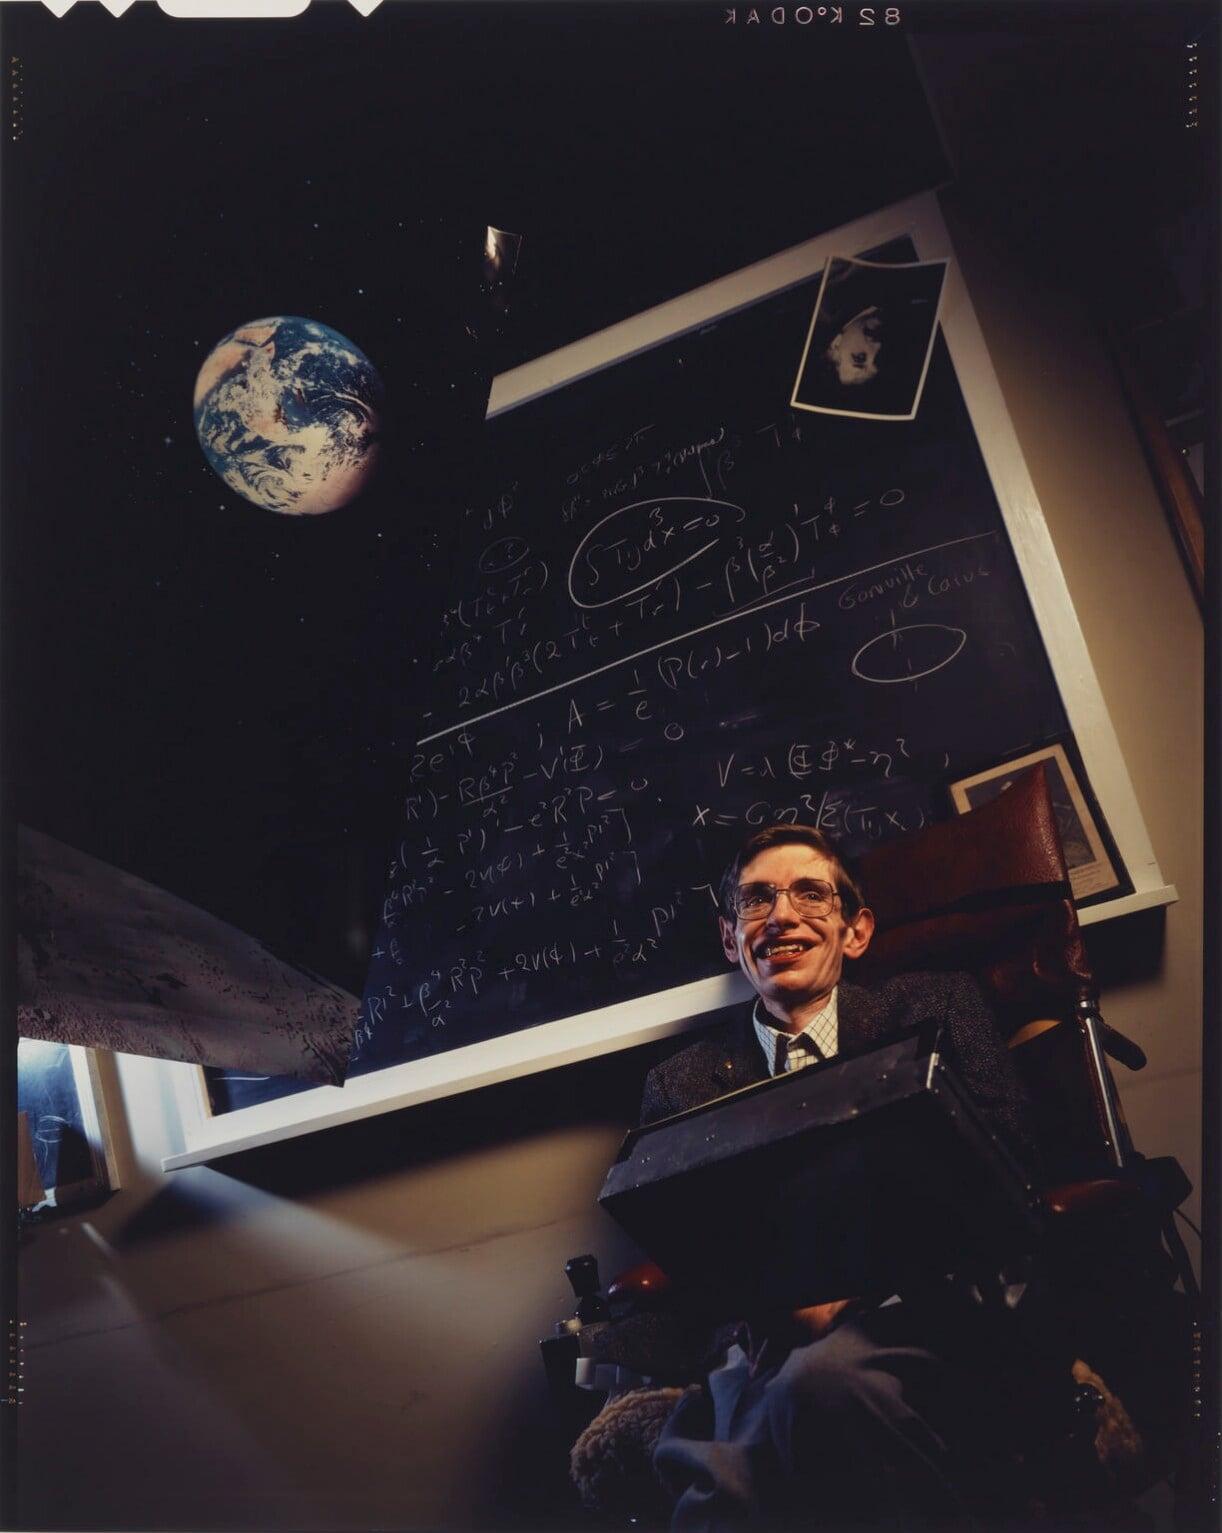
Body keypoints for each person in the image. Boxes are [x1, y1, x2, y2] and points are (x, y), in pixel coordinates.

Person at [642, 823, 1040, 1530]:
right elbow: (688, 1236)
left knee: (818, 1388)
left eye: (810, 894)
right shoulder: (680, 1083)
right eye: (756, 900)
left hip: (920, 1302)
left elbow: (1006, 1159)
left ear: (856, 931)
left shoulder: (937, 1006)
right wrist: (781, 1300)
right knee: (710, 1497)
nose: (783, 916)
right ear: (732, 940)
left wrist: (851, 1283)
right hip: (763, 1336)